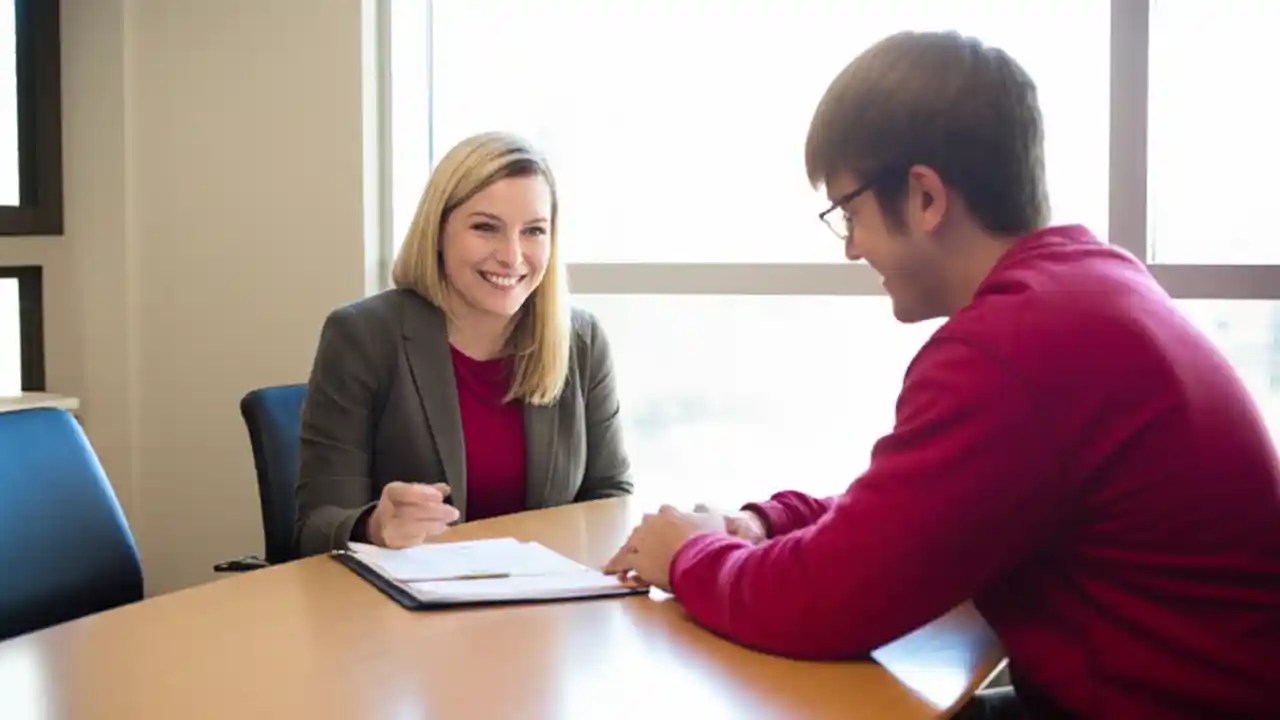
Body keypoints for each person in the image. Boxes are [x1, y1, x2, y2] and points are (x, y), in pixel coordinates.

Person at [605, 31, 1280, 718]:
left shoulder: (1015, 347)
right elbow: (917, 517)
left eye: (850, 213)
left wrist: (690, 558)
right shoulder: (1088, 288)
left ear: (925, 196)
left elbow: (830, 601)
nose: (851, 249)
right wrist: (764, 522)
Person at [296, 131, 632, 557]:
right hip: (403, 613)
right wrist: (373, 526)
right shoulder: (363, 335)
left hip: (542, 610)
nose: (512, 256)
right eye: (485, 228)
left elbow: (610, 497)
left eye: (533, 231)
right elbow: (313, 526)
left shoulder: (581, 341)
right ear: (438, 231)